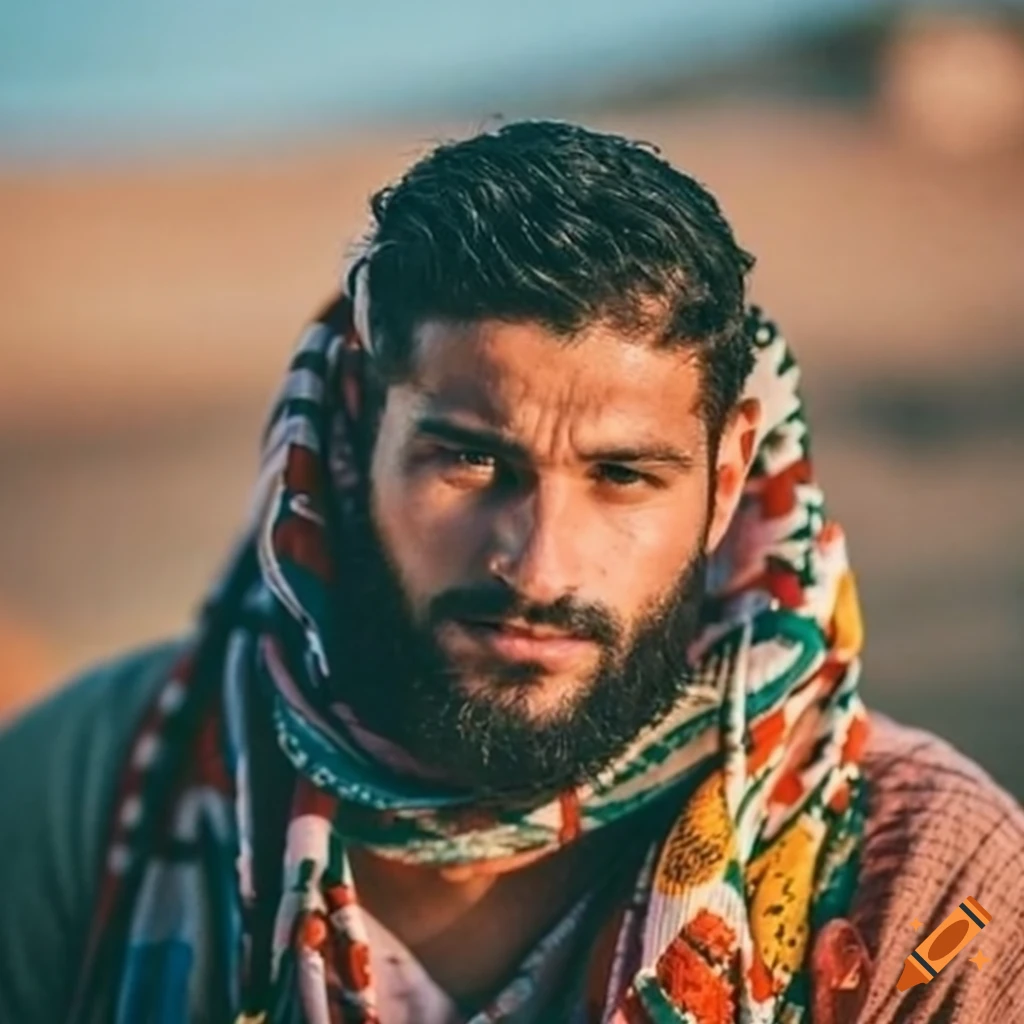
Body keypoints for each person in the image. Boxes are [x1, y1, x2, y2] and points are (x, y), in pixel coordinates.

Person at [0, 120, 1021, 1024]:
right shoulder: (79, 798)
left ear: (725, 478)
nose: (538, 565)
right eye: (470, 460)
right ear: (353, 438)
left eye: (623, 476)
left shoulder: (928, 891)